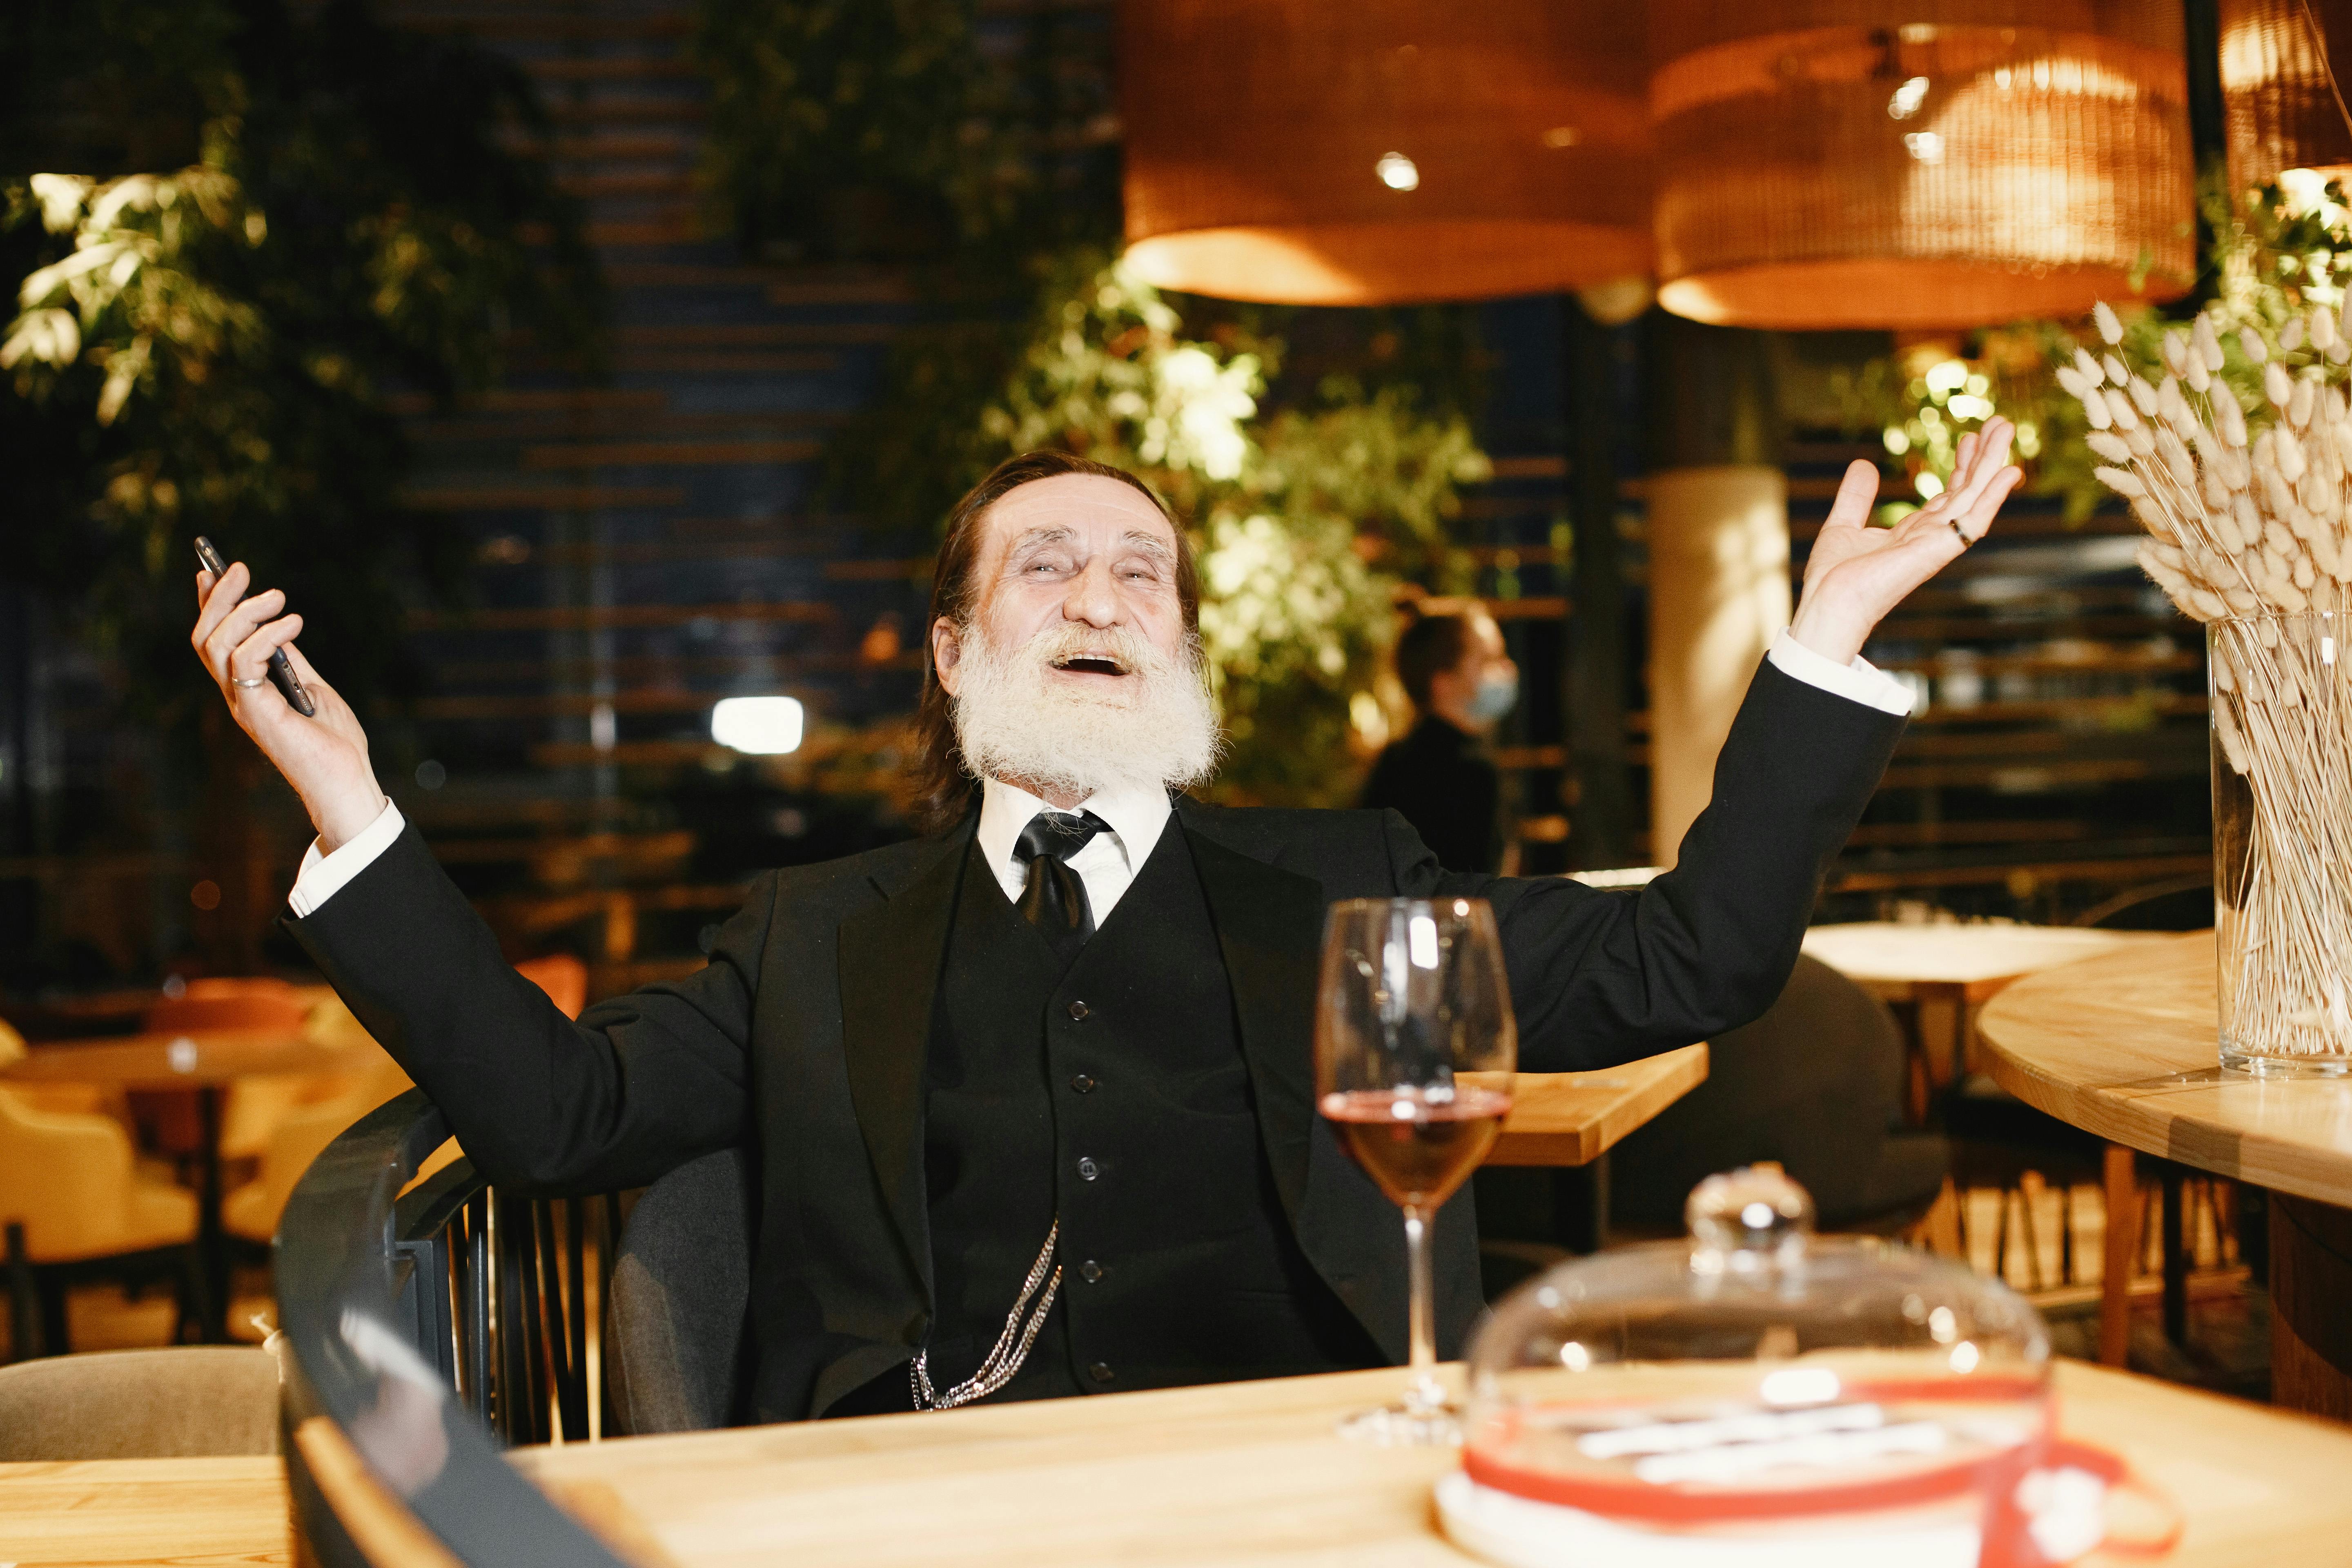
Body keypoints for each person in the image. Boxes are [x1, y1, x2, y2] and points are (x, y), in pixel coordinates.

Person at [190, 432, 2023, 1424]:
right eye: (1046, 564)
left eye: (1140, 569)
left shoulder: (1346, 880)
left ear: (1184, 646)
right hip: (911, 1517)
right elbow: (561, 1121)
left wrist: (1824, 658)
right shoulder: (815, 934)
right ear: (956, 653)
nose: (1099, 591)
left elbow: (1688, 959)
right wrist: (356, 812)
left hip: (1295, 1506)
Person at [1361, 605, 1517, 873]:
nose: (1508, 669)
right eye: (1488, 660)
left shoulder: (1395, 758)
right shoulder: (1470, 770)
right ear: (1442, 682)